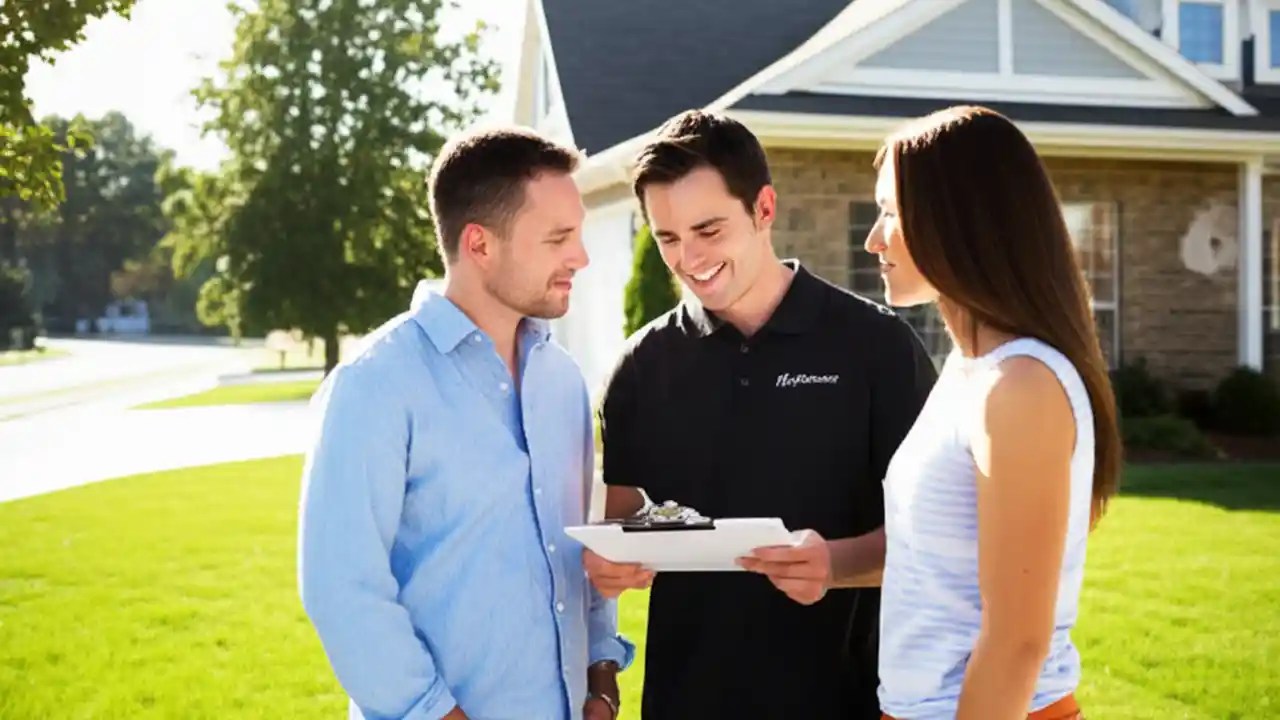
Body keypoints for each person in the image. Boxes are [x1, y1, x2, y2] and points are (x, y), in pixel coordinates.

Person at [583, 109, 937, 718]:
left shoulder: (876, 347)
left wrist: (835, 566)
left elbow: (936, 540)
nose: (689, 258)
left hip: (846, 700)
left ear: (764, 209)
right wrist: (606, 564)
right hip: (684, 701)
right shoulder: (640, 368)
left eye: (709, 230)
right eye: (667, 238)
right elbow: (617, 523)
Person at [297, 126, 633, 720]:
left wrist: (601, 683)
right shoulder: (375, 385)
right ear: (479, 244)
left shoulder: (563, 383)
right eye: (559, 238)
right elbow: (341, 588)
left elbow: (579, 551)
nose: (581, 257)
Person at [867, 105, 1121, 720]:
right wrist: (827, 563)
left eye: (892, 213)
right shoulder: (969, 371)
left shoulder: (1021, 387)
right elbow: (935, 560)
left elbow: (1017, 643)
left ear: (960, 222)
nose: (874, 239)